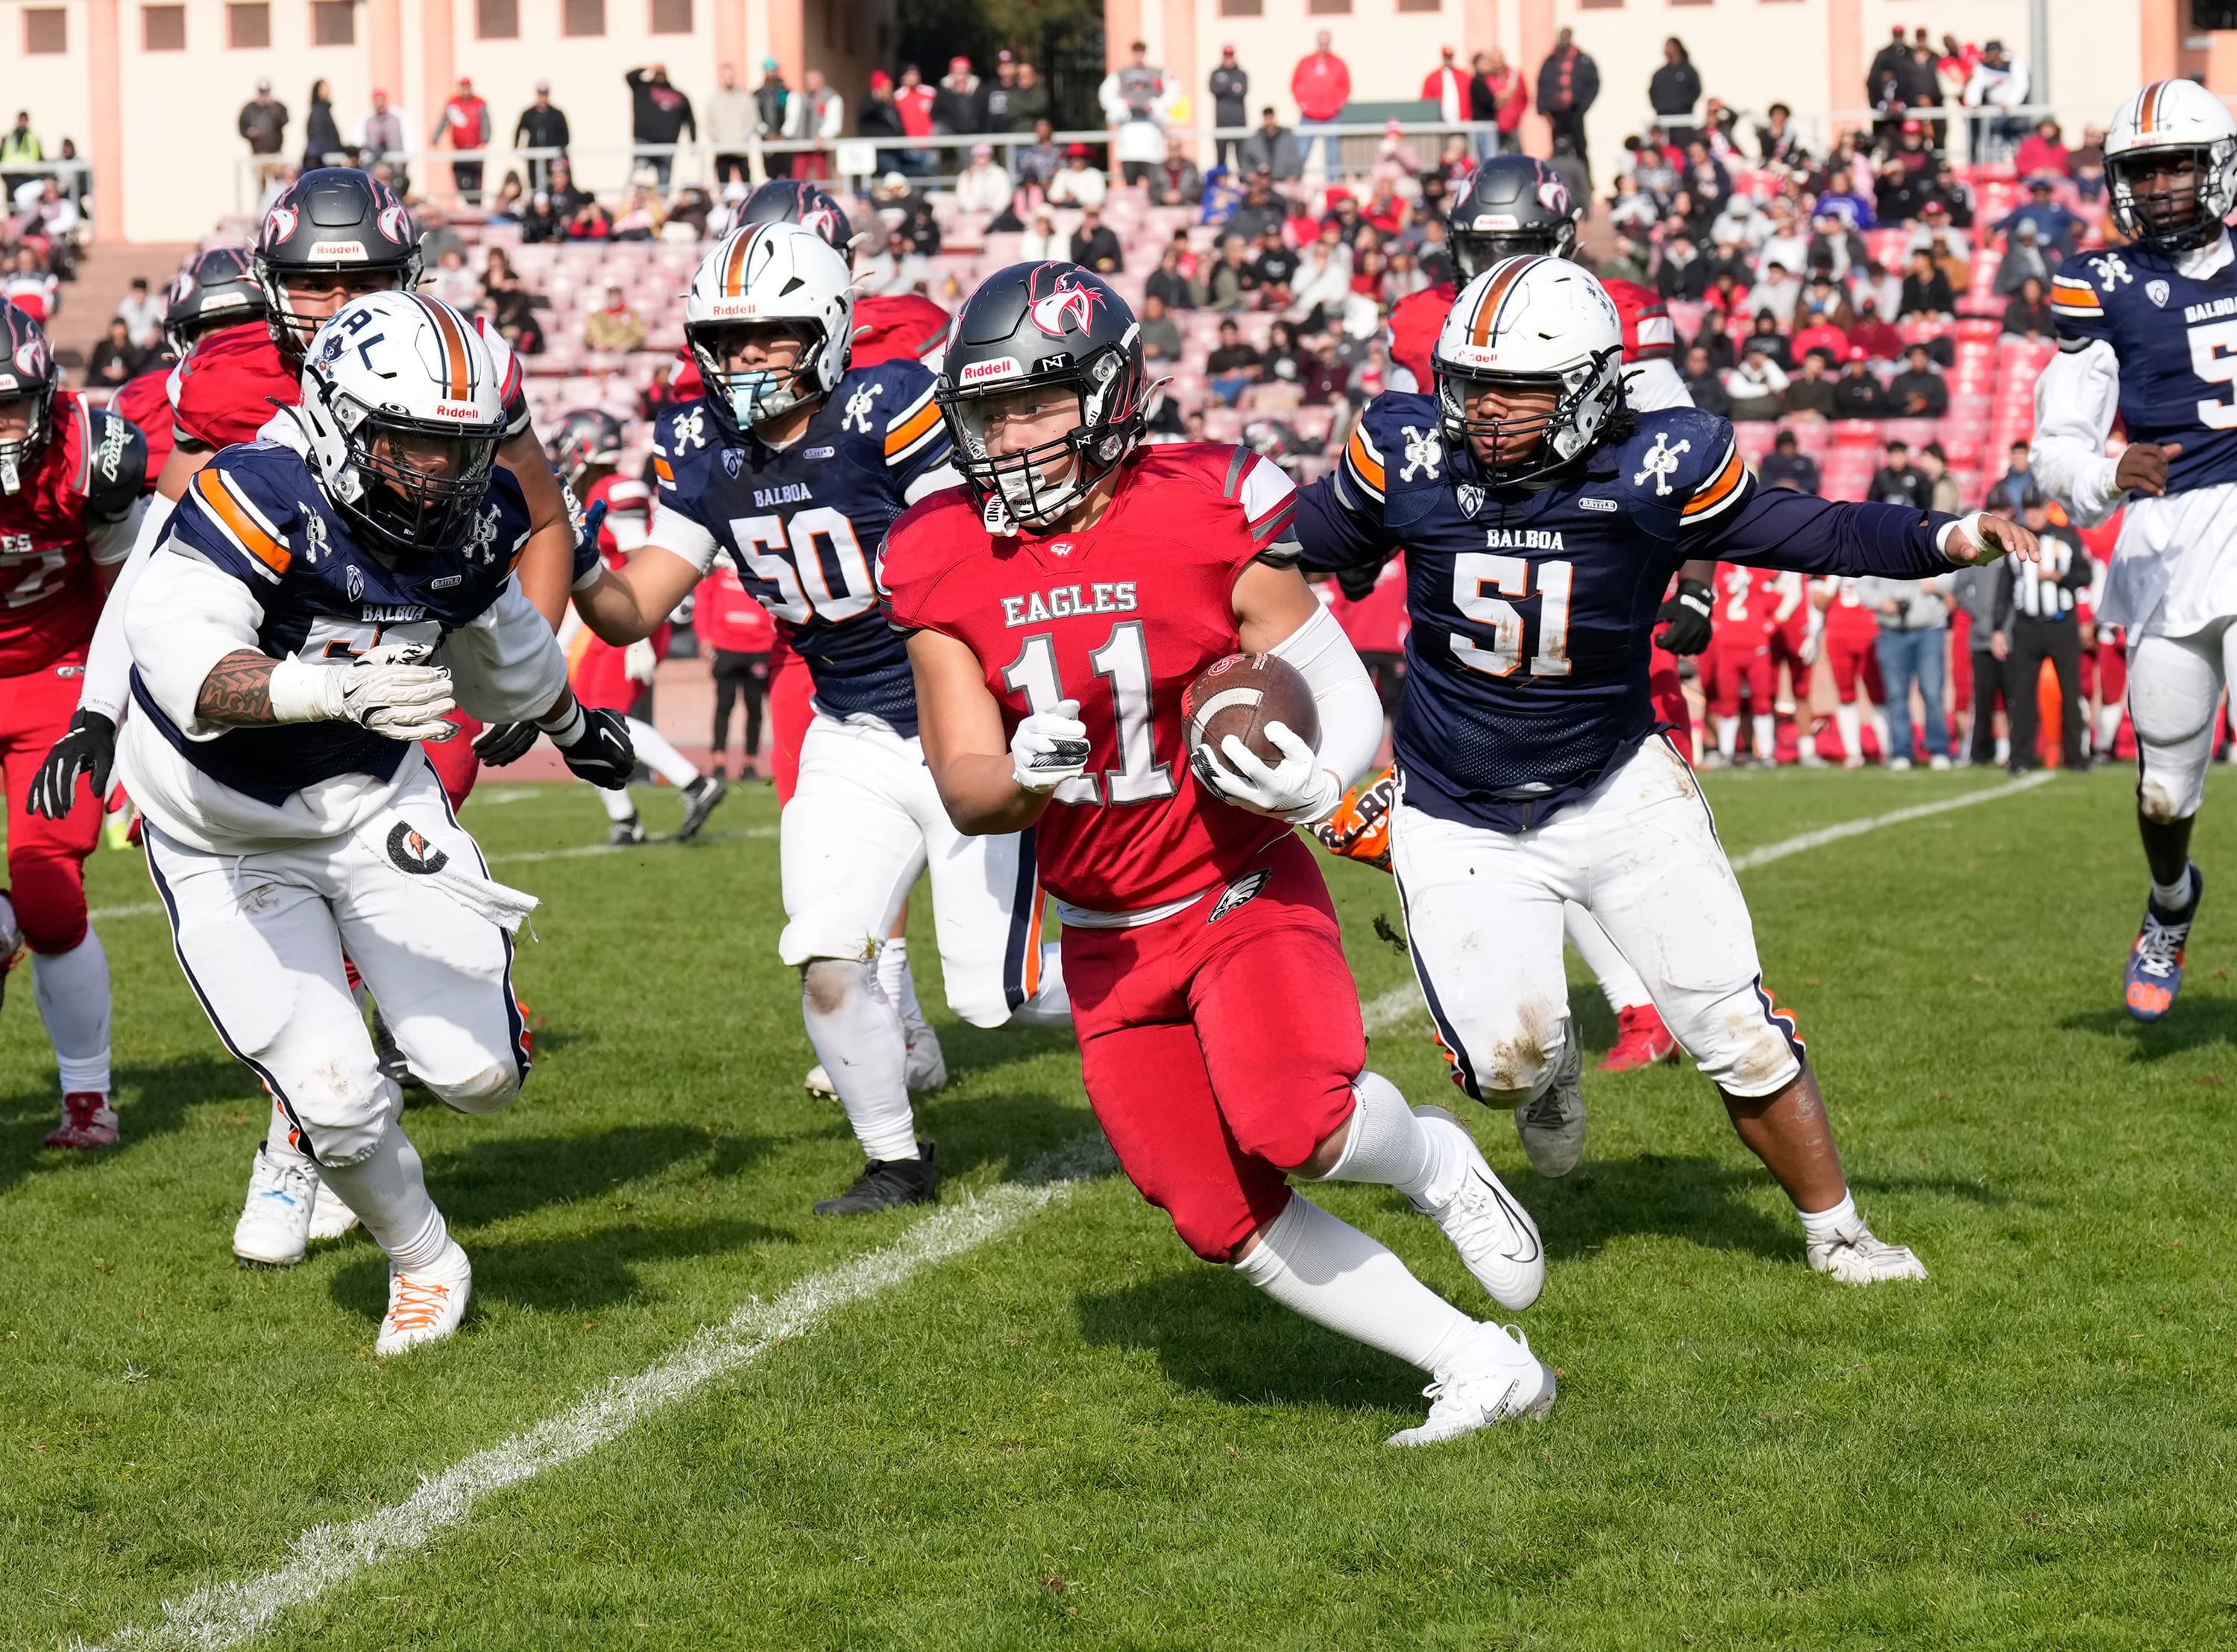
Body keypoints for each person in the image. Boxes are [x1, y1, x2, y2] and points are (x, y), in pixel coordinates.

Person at [889, 259, 1558, 1447]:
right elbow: (966, 782)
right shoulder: (943, 551)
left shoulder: (1202, 502)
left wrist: (1317, 780)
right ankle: (1478, 1366)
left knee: (1296, 1119)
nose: (1009, 436)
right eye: (988, 411)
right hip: (1101, 932)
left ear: (1106, 394)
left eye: (1035, 404)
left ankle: (1431, 1161)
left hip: (1233, 883)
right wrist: (1025, 775)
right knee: (1211, 1209)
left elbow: (1339, 692)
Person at [1292, 254, 2031, 1270]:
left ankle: (1839, 1233)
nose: (1488, 413)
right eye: (1472, 385)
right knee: (1507, 1067)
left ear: (1593, 387)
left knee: (1737, 1026)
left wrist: (1944, 534)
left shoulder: (1652, 467)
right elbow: (1294, 544)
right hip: (1458, 805)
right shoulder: (1415, 453)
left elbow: (1804, 530)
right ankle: (1551, 1072)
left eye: (1522, 389)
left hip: (1613, 784)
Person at [40, 168, 583, 1190]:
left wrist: (519, 672)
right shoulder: (231, 375)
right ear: (269, 280)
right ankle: (306, 1135)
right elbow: (171, 565)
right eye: (313, 282)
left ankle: (392, 1074)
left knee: (411, 948)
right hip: (264, 688)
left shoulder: (449, 363)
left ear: (409, 274)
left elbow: (541, 518)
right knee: (289, 944)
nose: (340, 303)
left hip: (409, 675)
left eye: (367, 277)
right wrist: (102, 705)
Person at [117, 291, 632, 1347]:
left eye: (460, 448)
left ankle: (468, 1026)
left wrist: (574, 726)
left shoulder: (474, 520)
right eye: (410, 443)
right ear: (341, 419)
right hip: (223, 830)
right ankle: (427, 1259)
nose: (438, 474)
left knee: (479, 1078)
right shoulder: (254, 490)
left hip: (366, 804)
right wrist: (329, 690)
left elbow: (505, 644)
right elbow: (185, 670)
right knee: (336, 1095)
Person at [565, 224, 1069, 1214]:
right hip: (847, 729)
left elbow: (976, 554)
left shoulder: (888, 411)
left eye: (772, 336)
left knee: (993, 1000)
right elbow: (630, 611)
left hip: (956, 718)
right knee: (828, 953)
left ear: (830, 329)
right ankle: (896, 1161)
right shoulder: (706, 453)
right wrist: (577, 556)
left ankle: (1167, 974)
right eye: (729, 341)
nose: (748, 360)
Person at [2030, 80, 2237, 1019]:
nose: (2158, 188)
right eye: (2142, 171)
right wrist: (2110, 474)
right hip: (2165, 540)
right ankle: (2170, 902)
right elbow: (2055, 444)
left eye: (2178, 165)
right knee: (2163, 790)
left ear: (2216, 166)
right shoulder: (2101, 284)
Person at [0, 304, 143, 1150]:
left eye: (7, 406)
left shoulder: (90, 454)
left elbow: (126, 593)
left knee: (52, 890)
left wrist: (113, 707)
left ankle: (87, 1098)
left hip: (57, 675)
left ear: (46, 398)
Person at [547, 411, 726, 844]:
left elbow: (636, 565)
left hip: (631, 616)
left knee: (596, 716)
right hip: (612, 618)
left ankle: (693, 784)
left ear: (583, 445)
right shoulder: (594, 492)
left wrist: (638, 636)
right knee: (581, 718)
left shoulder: (615, 489)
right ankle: (626, 819)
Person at [1994, 488, 2093, 771]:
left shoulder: (2066, 535)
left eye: (2037, 507)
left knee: (2070, 692)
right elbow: (2005, 586)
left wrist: (2060, 577)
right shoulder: (2016, 538)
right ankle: (2020, 758)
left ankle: (2077, 757)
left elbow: (2085, 573)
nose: (2033, 513)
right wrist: (1998, 627)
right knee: (2022, 695)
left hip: (2061, 624)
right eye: (2028, 508)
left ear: (2046, 508)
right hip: (2027, 627)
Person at [1536, 28, 1599, 183]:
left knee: (1580, 147)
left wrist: (1583, 106)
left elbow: (1593, 84)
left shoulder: (1583, 59)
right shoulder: (1551, 60)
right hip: (1556, 113)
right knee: (1557, 149)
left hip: (1575, 111)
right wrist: (1543, 108)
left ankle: (1586, 183)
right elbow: (1542, 84)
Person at [1291, 31, 1351, 181]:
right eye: (1321, 42)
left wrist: (1338, 104)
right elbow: (1295, 84)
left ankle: (1332, 186)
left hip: (1331, 117)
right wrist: (1302, 104)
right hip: (1309, 117)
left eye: (1326, 42)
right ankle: (1295, 183)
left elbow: (1345, 86)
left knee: (1332, 155)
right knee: (1302, 152)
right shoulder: (1306, 62)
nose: (1323, 45)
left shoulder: (1338, 63)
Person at [626, 64, 695, 189]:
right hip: (644, 143)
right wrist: (648, 67)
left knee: (664, 182)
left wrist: (693, 141)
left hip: (667, 145)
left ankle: (661, 206)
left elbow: (690, 120)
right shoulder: (643, 88)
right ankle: (630, 205)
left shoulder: (679, 95)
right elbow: (629, 77)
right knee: (638, 178)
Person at [431, 77, 489, 204]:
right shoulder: (453, 104)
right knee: (459, 178)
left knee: (476, 180)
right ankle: (469, 201)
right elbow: (444, 122)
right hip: (459, 150)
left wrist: (484, 140)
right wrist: (435, 138)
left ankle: (476, 204)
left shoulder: (479, 103)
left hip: (475, 150)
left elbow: (485, 122)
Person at [783, 69, 842, 183]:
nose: (811, 83)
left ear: (821, 80)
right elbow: (792, 119)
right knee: (798, 179)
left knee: (822, 179)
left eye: (814, 79)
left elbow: (834, 122)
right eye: (808, 80)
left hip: (819, 147)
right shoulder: (800, 96)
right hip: (801, 145)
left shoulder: (830, 97)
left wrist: (823, 136)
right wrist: (789, 135)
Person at [514, 80, 569, 190]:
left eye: (545, 94)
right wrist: (520, 150)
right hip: (534, 158)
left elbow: (565, 136)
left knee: (553, 185)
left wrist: (558, 152)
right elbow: (519, 131)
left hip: (552, 159)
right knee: (534, 184)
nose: (543, 98)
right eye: (541, 94)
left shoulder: (557, 114)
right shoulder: (529, 114)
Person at [708, 63, 755, 186]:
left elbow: (752, 122)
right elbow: (709, 124)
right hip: (722, 150)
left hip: (741, 150)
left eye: (731, 76)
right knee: (723, 186)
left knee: (747, 186)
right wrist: (718, 139)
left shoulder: (745, 98)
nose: (728, 79)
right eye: (725, 76)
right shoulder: (714, 100)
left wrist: (744, 138)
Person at [1649, 39, 1701, 152]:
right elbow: (1652, 92)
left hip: (1683, 121)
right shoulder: (1660, 74)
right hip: (1664, 120)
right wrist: (1660, 107)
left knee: (1685, 150)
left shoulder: (1688, 71)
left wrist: (1682, 105)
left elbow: (1696, 91)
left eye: (1669, 46)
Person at [239, 78, 290, 192]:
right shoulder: (250, 109)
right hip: (258, 154)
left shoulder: (277, 107)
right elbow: (241, 127)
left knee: (279, 187)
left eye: (266, 92)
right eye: (262, 92)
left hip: (275, 153)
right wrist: (249, 133)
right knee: (260, 187)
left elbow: (285, 120)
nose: (264, 96)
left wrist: (273, 107)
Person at [357, 88, 411, 195]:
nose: (379, 104)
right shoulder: (368, 121)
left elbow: (403, 142)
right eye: (376, 101)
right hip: (375, 164)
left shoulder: (396, 119)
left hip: (395, 165)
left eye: (381, 100)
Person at [1209, 44, 1249, 171]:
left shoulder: (1241, 74)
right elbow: (1214, 89)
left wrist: (1225, 88)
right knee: (1221, 158)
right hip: (1221, 123)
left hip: (1239, 123)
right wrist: (1231, 87)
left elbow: (1242, 91)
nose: (1229, 60)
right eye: (1226, 57)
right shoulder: (1216, 73)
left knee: (1242, 157)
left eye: (1231, 56)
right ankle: (1221, 184)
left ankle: (1243, 186)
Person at [1239, 109, 1303, 183]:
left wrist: (1294, 175)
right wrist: (1249, 173)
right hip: (1260, 181)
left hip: (1282, 180)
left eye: (1270, 118)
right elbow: (1245, 159)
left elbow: (1295, 158)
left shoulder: (1287, 137)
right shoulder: (1255, 139)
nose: (1269, 121)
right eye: (1266, 118)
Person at [1889, 344, 1949, 417]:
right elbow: (1891, 401)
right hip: (1903, 419)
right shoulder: (1899, 379)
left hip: (1930, 419)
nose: (1918, 359)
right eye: (1915, 356)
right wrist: (1907, 399)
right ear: (1910, 359)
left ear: (1927, 359)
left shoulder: (1936, 380)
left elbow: (1942, 402)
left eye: (1921, 356)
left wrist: (1923, 403)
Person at [86, 317, 148, 388]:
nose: (119, 331)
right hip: (103, 383)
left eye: (121, 328)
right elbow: (94, 366)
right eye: (117, 328)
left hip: (123, 384)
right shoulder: (103, 347)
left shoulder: (130, 348)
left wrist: (124, 372)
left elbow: (134, 367)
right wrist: (107, 371)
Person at [955, 142, 1013, 215]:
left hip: (997, 215)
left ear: (990, 157)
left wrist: (994, 208)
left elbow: (1005, 195)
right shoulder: (966, 175)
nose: (981, 159)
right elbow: (962, 196)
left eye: (984, 156)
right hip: (971, 216)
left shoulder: (1000, 173)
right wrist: (974, 207)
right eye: (978, 156)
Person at [1760, 428, 1820, 494]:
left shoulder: (1806, 461)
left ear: (1795, 445)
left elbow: (1814, 482)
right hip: (1776, 491)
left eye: (1791, 444)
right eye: (1785, 445)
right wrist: (1780, 484)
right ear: (1779, 446)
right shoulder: (1770, 460)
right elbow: (1764, 480)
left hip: (1800, 493)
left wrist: (1796, 484)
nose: (1788, 448)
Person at [115, 277, 163, 350]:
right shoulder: (126, 306)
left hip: (152, 344)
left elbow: (160, 322)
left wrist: (154, 336)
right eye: (137, 293)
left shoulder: (155, 303)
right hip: (132, 346)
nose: (140, 296)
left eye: (142, 293)